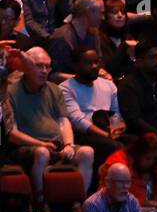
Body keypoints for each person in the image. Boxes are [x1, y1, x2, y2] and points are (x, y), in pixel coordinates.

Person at [7, 46, 94, 202]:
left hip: (55, 145)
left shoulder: (54, 89)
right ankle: (40, 201)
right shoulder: (11, 92)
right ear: (26, 67)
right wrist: (41, 143)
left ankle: (79, 202)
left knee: (87, 152)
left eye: (47, 66)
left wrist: (68, 144)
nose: (44, 71)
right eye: (39, 66)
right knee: (42, 153)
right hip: (28, 147)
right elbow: (12, 134)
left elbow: (63, 120)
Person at [60, 45, 126, 161]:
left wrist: (115, 131)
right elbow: (78, 121)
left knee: (138, 143)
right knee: (113, 146)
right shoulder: (66, 88)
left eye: (96, 62)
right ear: (75, 66)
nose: (94, 66)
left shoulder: (108, 85)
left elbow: (116, 114)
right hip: (85, 135)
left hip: (108, 130)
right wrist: (107, 136)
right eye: (88, 63)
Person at [101, 132, 157, 212]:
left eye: (154, 158)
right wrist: (144, 202)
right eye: (148, 158)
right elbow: (112, 195)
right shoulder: (118, 164)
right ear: (138, 153)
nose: (151, 162)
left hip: (154, 208)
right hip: (121, 211)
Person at [48, 0, 104, 79]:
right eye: (101, 13)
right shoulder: (62, 37)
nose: (103, 17)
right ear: (89, 11)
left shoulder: (93, 33)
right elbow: (53, 75)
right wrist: (82, 78)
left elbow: (98, 64)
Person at [117, 40, 157, 135]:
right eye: (153, 57)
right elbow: (133, 120)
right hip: (142, 136)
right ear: (139, 62)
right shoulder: (129, 84)